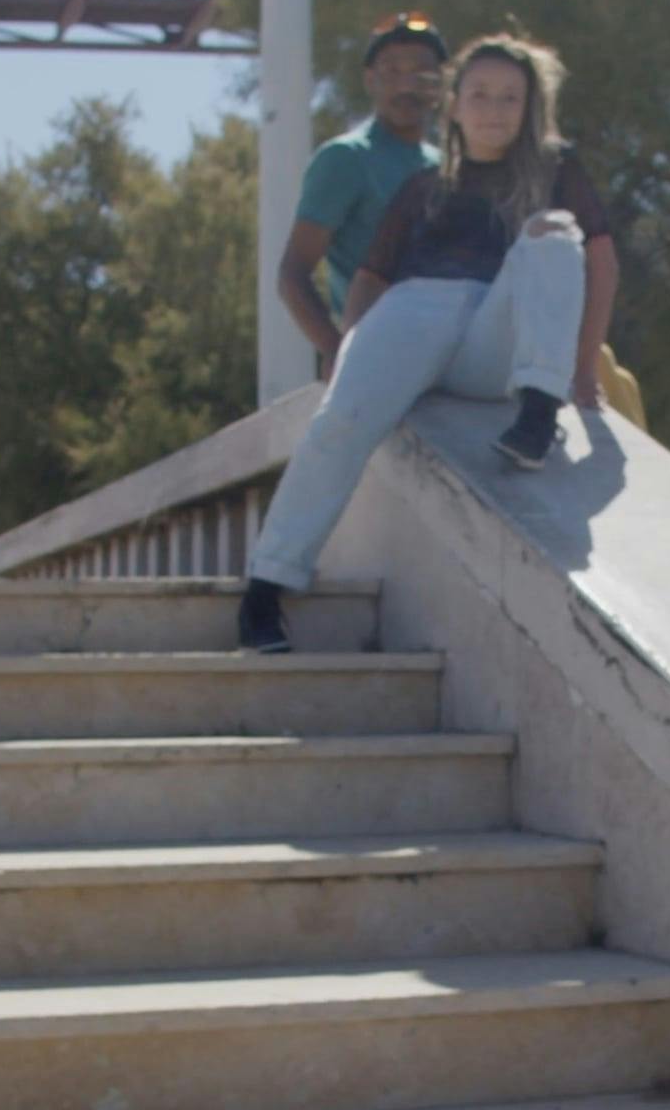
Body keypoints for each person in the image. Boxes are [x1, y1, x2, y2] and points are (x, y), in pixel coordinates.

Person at [240, 33, 619, 653]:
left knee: (554, 237)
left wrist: (579, 370)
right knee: (341, 421)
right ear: (455, 105)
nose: (494, 110)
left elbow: (599, 264)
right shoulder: (423, 186)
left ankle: (536, 410)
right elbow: (370, 279)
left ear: (530, 109)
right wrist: (347, 355)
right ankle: (265, 591)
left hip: (491, 349)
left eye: (510, 98)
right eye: (480, 96)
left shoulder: (556, 171)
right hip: (416, 323)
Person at [278, 12, 449, 379]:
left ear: (442, 84)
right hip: (384, 355)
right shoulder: (348, 158)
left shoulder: (448, 168)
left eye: (422, 72)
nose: (407, 85)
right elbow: (293, 273)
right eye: (392, 71)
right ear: (370, 80)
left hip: (448, 354)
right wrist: (336, 349)